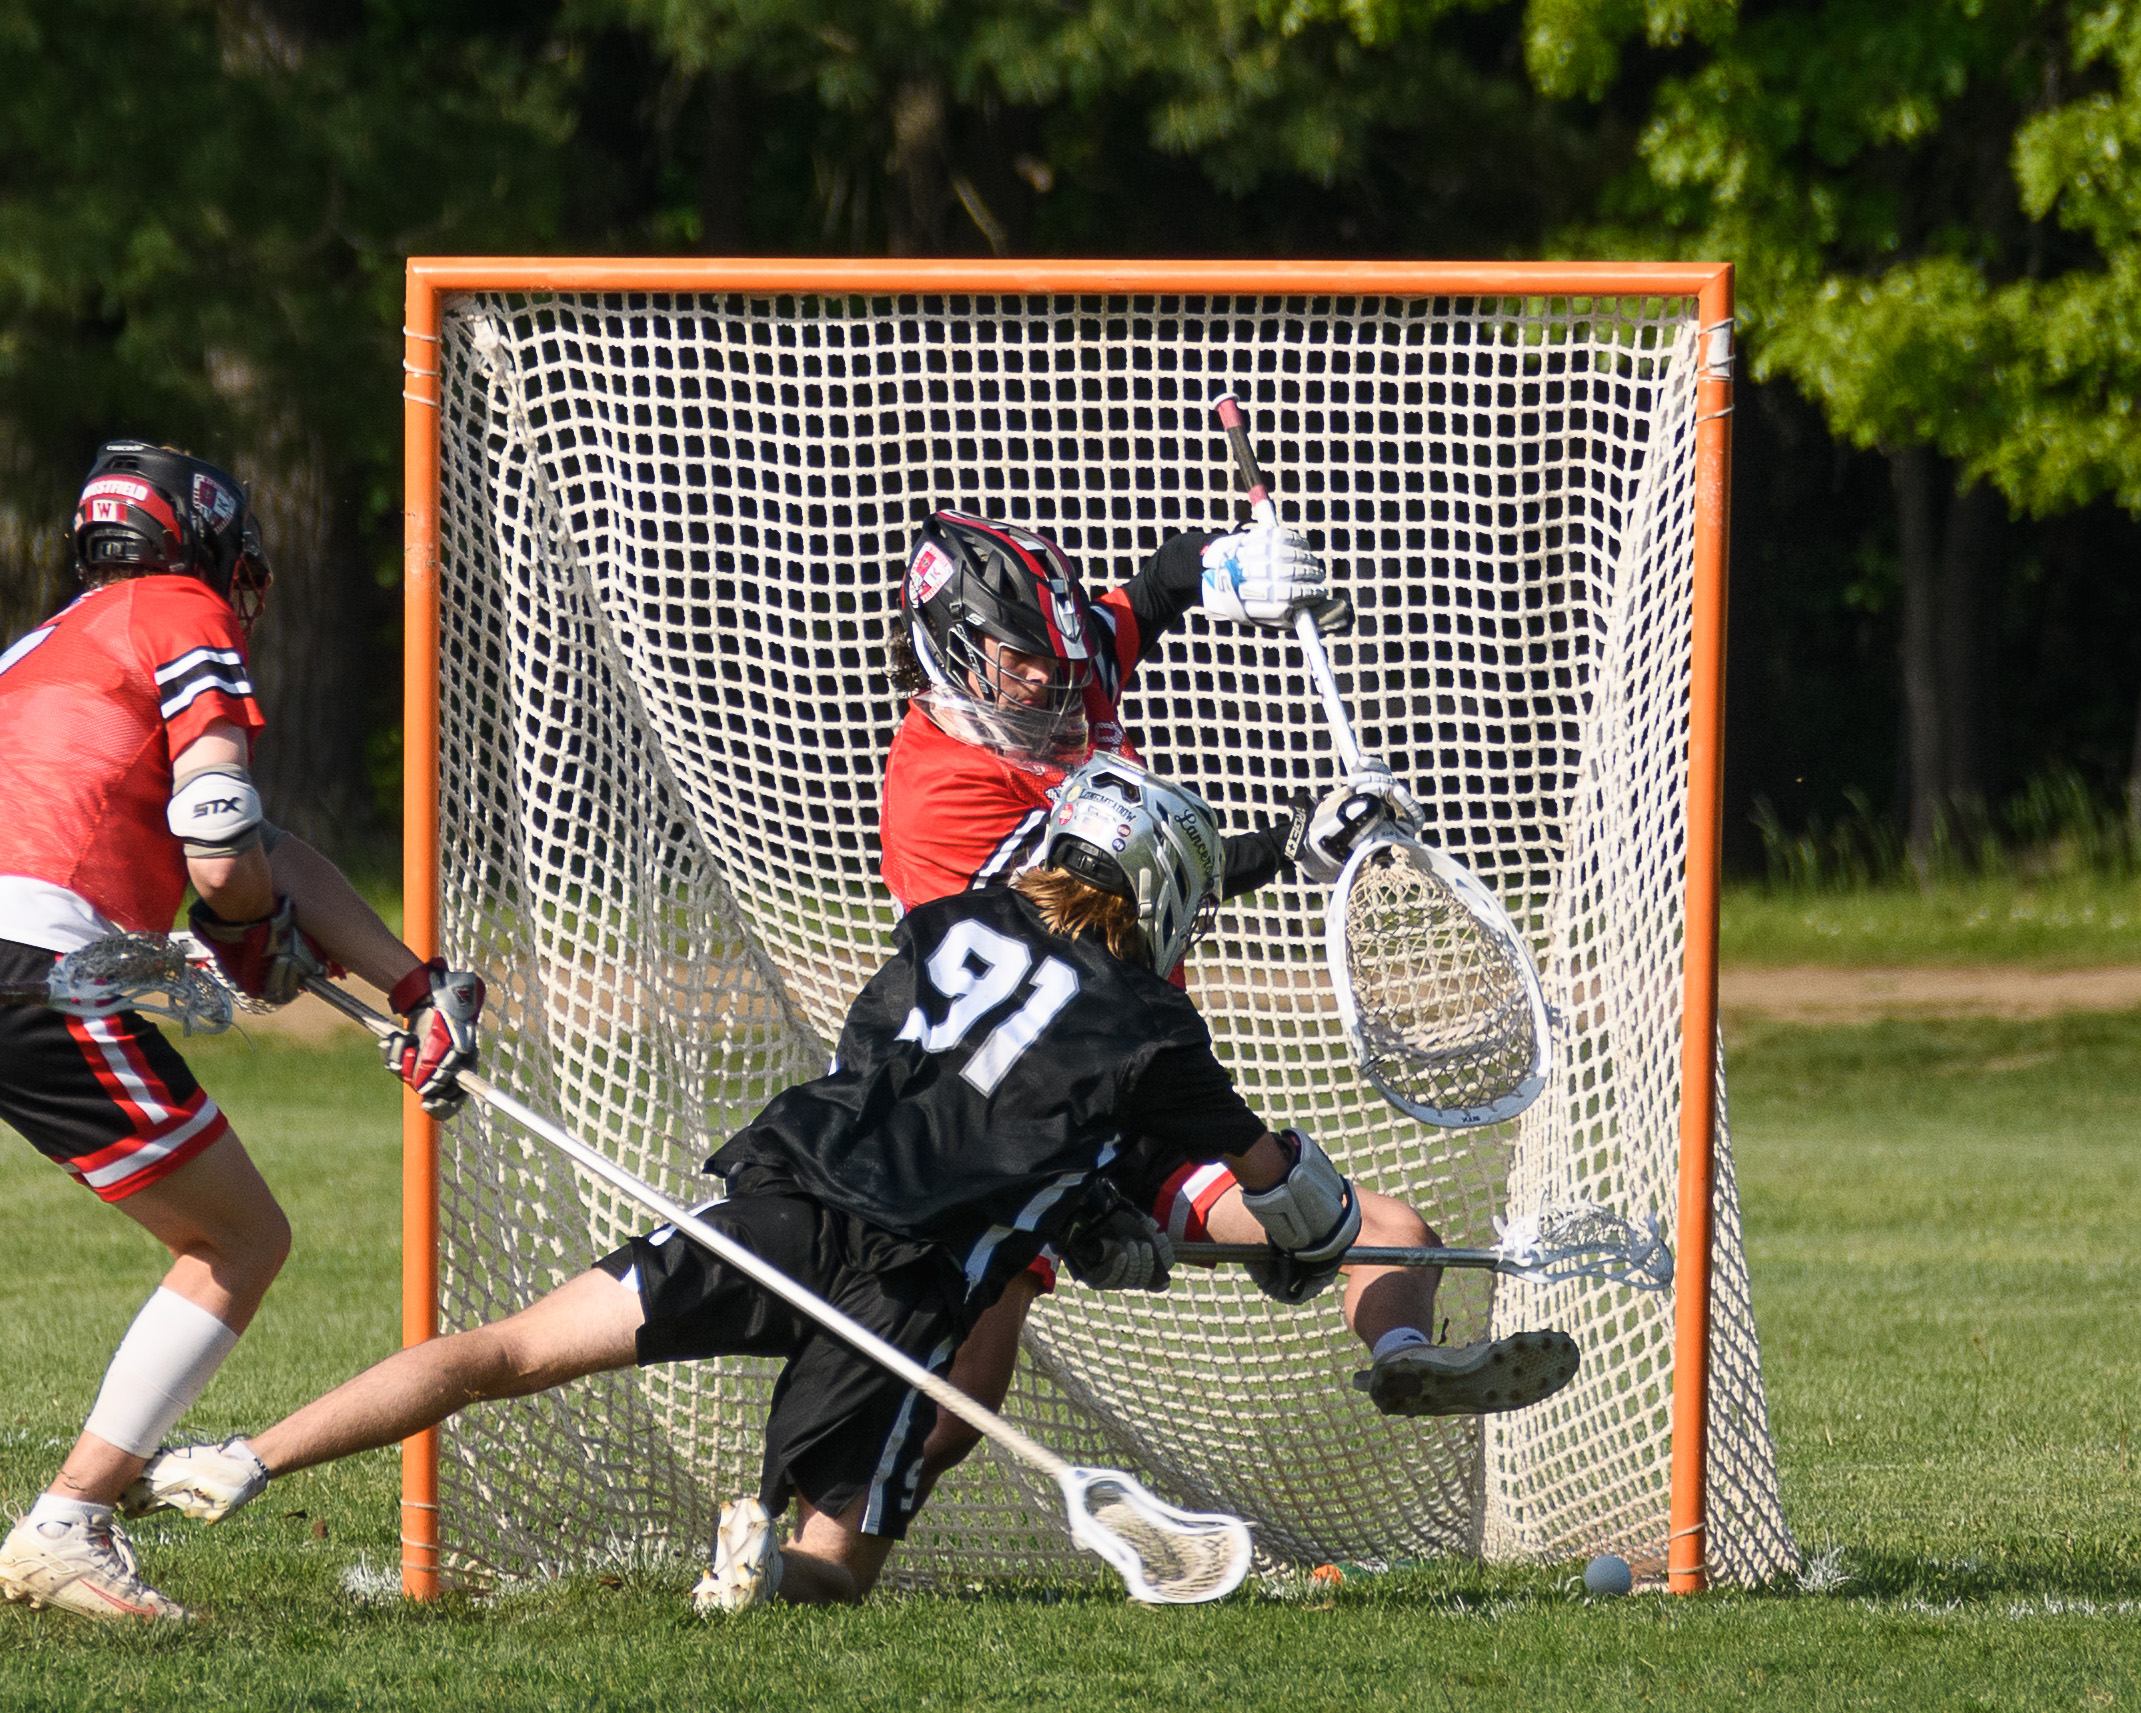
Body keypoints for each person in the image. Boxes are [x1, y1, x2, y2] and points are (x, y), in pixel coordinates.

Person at [127, 756, 1577, 1611]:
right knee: (831, 1582)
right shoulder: (1158, 1033)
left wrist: (1087, 1208)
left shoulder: (947, 924)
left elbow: (976, 1075)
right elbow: (1301, 1206)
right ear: (1170, 898)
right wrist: (1243, 1222)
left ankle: (237, 1460)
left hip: (782, 1189)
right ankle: (761, 1558)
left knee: (507, 1352)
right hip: (909, 1276)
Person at [878, 513, 1558, 1500]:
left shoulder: (1064, 668)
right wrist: (1293, 846)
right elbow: (1115, 892)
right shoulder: (938, 794)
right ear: (954, 646)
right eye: (1023, 662)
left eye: (1060, 661)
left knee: (1389, 1233)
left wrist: (1231, 564)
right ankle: (819, 1529)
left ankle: (1403, 1355)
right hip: (1003, 1115)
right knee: (960, 1398)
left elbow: (1150, 591)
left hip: (1136, 1096)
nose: (1053, 684)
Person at [0, 442, 484, 1624]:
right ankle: (68, 1522)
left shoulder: (44, 645)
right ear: (208, 546)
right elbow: (221, 836)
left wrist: (408, 982)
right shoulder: (183, 609)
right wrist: (246, 926)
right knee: (237, 1241)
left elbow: (261, 856)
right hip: (28, 958)